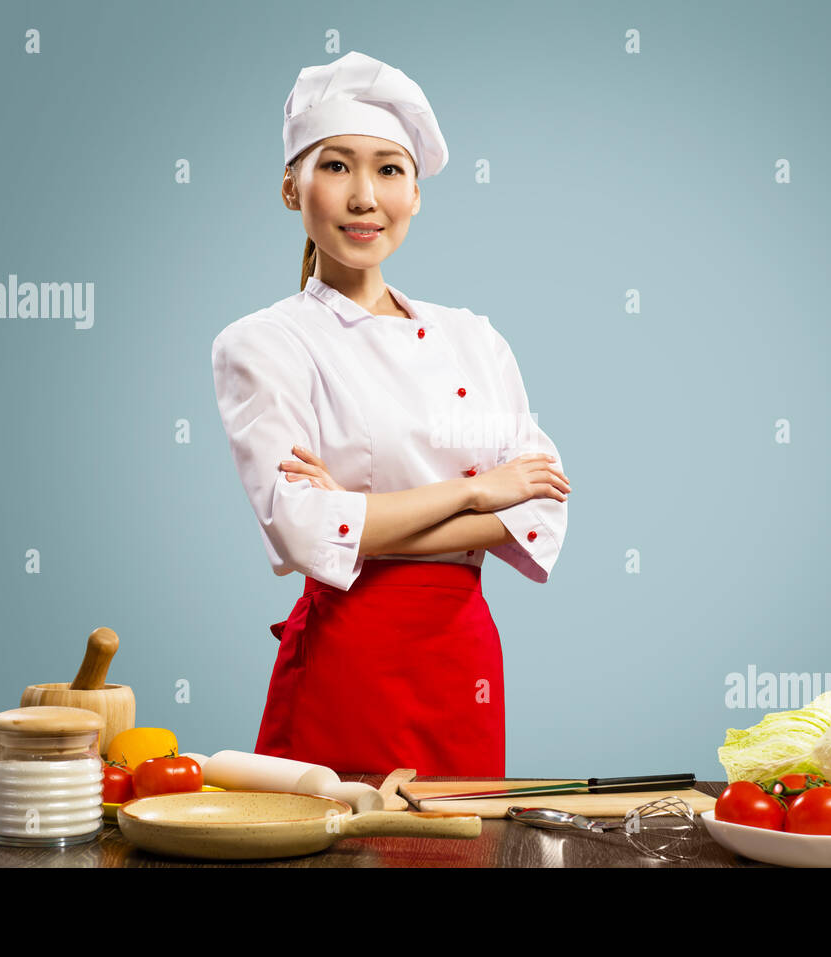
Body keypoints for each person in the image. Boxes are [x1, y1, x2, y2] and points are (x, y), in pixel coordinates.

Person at [211, 51, 571, 777]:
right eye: (336, 166)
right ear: (291, 187)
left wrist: (359, 510)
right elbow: (302, 527)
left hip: (462, 653)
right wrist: (476, 491)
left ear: (415, 194)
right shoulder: (263, 342)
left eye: (388, 170)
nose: (363, 196)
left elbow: (540, 506)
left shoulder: (474, 336)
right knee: (333, 849)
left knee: (466, 846)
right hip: (349, 655)